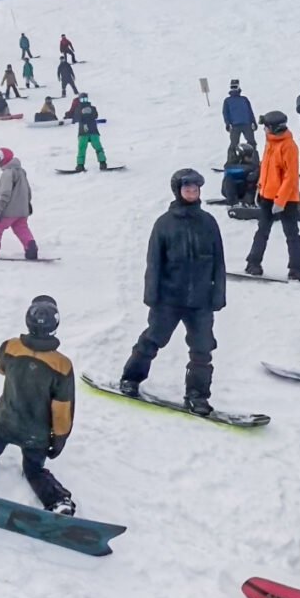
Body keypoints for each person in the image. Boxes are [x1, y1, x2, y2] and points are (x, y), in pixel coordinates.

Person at [118, 169, 227, 415]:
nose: (191, 192)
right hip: (168, 297)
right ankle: (131, 378)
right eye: (187, 188)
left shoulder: (208, 222)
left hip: (201, 301)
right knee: (152, 340)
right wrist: (152, 296)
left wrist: (218, 295)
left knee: (202, 349)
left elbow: (219, 262)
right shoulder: (164, 224)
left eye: (195, 189)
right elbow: (154, 262)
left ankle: (197, 395)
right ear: (178, 191)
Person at [0, 296, 77, 512]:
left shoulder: (10, 347)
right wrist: (59, 439)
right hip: (37, 434)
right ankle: (58, 501)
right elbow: (62, 411)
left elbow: (0, 368)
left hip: (3, 422)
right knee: (34, 470)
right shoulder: (62, 365)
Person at [244, 110, 300, 280]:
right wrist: (260, 189)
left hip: (286, 200)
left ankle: (296, 268)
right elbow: (266, 169)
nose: (264, 130)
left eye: (266, 127)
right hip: (267, 197)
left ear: (273, 128)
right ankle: (253, 262)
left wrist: (280, 201)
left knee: (292, 234)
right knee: (262, 231)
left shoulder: (289, 146)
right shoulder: (270, 143)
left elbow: (291, 176)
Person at [0, 148, 37, 260]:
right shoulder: (21, 172)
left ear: (5, 158)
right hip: (22, 210)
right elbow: (27, 190)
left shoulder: (7, 173)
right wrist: (27, 204)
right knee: (21, 228)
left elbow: (5, 193)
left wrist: (0, 209)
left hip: (9, 209)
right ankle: (31, 247)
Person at [69, 93, 108, 170]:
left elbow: (95, 115)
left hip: (89, 131)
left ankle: (102, 163)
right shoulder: (78, 109)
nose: (84, 101)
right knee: (82, 148)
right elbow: (77, 118)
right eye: (82, 99)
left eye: (85, 99)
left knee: (97, 147)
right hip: (87, 132)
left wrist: (88, 113)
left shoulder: (92, 108)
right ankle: (80, 165)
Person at [220, 79, 256, 158]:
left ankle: (253, 160)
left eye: (235, 87)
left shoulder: (244, 99)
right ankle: (231, 161)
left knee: (251, 142)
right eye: (232, 87)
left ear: (238, 87)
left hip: (247, 124)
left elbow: (250, 111)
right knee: (234, 144)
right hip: (235, 125)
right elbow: (225, 113)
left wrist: (253, 122)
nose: (233, 89)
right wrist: (227, 123)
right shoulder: (227, 101)